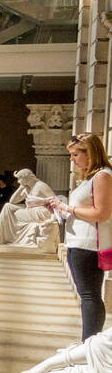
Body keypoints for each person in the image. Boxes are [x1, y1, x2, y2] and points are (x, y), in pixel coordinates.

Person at [48, 133, 112, 340]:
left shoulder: (103, 176)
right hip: (79, 243)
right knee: (88, 296)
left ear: (90, 153)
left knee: (90, 296)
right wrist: (61, 209)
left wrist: (69, 208)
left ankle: (89, 346)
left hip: (89, 245)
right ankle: (89, 344)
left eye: (76, 154)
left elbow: (102, 213)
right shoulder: (92, 177)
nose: (72, 159)